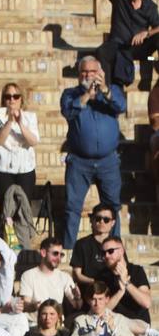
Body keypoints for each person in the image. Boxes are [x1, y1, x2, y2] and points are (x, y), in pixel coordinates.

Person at [60, 55, 125, 246]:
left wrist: (104, 90)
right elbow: (68, 111)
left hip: (108, 162)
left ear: (101, 73)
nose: (89, 75)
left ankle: (114, 249)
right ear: (79, 75)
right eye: (84, 72)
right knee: (72, 207)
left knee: (112, 207)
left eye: (93, 71)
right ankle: (70, 250)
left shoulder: (112, 91)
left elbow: (121, 106)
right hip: (79, 162)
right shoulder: (70, 94)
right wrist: (87, 94)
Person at [96, 0, 159, 89]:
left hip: (141, 48)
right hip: (119, 45)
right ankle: (107, 89)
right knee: (102, 52)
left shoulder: (149, 6)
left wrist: (147, 33)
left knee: (156, 41)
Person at [0, 82, 40, 209]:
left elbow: (33, 141)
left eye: (16, 96)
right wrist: (10, 121)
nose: (12, 99)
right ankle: (5, 229)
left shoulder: (30, 117)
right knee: (6, 210)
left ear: (21, 99)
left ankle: (22, 230)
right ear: (3, 99)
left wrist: (20, 124)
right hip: (2, 169)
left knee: (23, 209)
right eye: (8, 96)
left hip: (25, 169)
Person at [95, 235, 154, 336]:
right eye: (103, 253)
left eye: (110, 251)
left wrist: (127, 283)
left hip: (138, 325)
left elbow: (146, 303)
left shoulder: (136, 271)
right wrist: (120, 292)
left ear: (121, 251)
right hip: (115, 327)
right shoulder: (102, 277)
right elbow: (101, 310)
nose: (106, 256)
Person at [18, 237, 81, 320]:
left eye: (61, 254)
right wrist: (34, 306)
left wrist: (77, 297)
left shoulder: (64, 277)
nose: (58, 258)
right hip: (35, 325)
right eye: (55, 253)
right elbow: (25, 306)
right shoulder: (28, 275)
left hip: (57, 326)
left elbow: (77, 306)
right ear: (43, 253)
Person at [70, 203, 119, 290]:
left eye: (106, 219)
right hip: (89, 292)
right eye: (98, 218)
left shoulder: (117, 244)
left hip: (111, 292)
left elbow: (123, 269)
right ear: (92, 220)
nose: (101, 222)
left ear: (113, 223)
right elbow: (77, 274)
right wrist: (96, 283)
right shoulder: (81, 244)